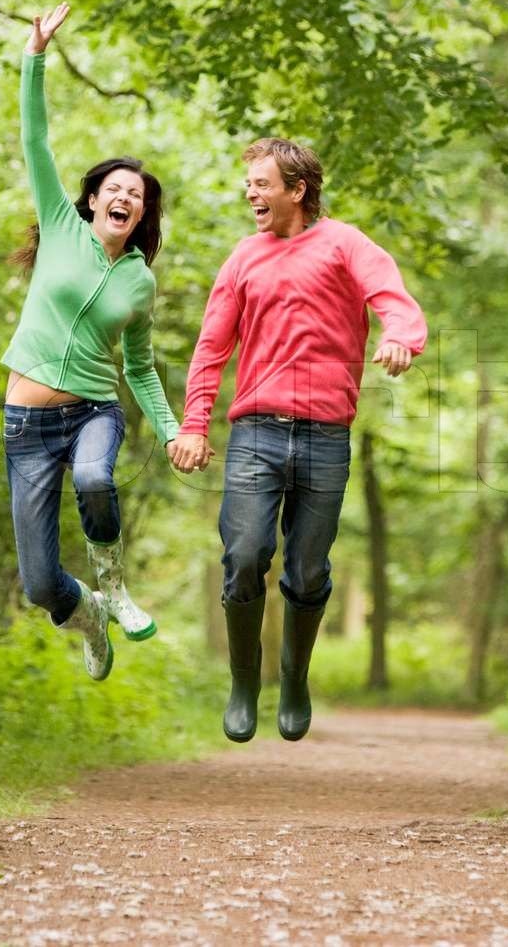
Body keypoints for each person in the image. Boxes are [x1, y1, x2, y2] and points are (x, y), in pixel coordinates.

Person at [168, 138, 426, 741]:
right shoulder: (243, 257)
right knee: (244, 556)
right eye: (249, 184)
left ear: (297, 189)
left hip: (325, 436)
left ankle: (294, 677)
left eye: (261, 184)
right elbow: (211, 348)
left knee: (308, 570)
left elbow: (394, 299)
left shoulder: (344, 244)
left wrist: (400, 337)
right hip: (255, 433)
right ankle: (244, 682)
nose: (250, 194)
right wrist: (194, 424)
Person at [2, 3, 179, 681]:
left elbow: (140, 367)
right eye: (115, 188)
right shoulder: (61, 226)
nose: (125, 197)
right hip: (26, 425)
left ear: (141, 214)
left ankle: (116, 587)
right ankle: (87, 614)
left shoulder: (139, 281)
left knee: (95, 477)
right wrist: (35, 56)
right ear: (96, 199)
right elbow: (35, 139)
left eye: (137, 195)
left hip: (92, 413)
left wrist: (171, 430)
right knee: (38, 583)